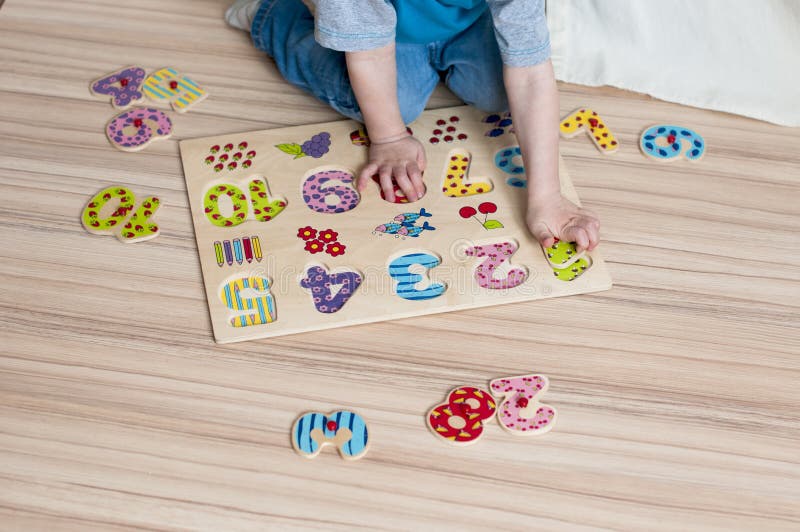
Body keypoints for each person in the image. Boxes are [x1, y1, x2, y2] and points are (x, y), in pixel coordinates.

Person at [226, 0, 600, 251]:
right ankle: (272, 15)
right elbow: (369, 52)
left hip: (467, 22)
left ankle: (441, 55)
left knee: (498, 95)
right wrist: (388, 137)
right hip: (379, 35)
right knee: (389, 106)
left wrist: (547, 196)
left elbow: (531, 74)